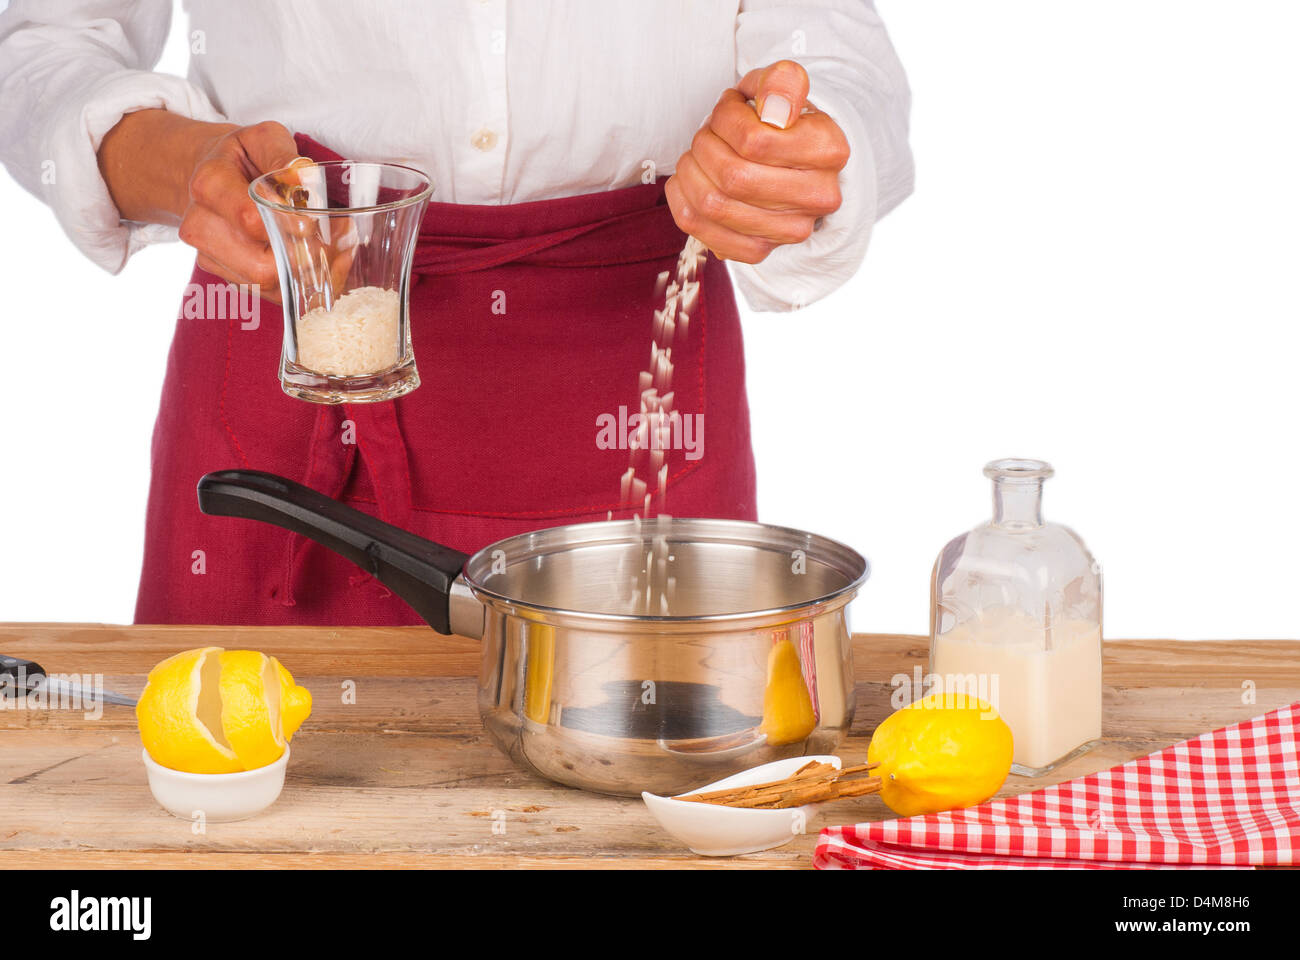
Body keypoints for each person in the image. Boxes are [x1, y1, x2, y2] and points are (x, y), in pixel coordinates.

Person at [0, 1, 912, 625]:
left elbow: (835, 53)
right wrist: (183, 163)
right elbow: (44, 41)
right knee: (224, 797)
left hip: (634, 373)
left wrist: (798, 154)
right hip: (292, 319)